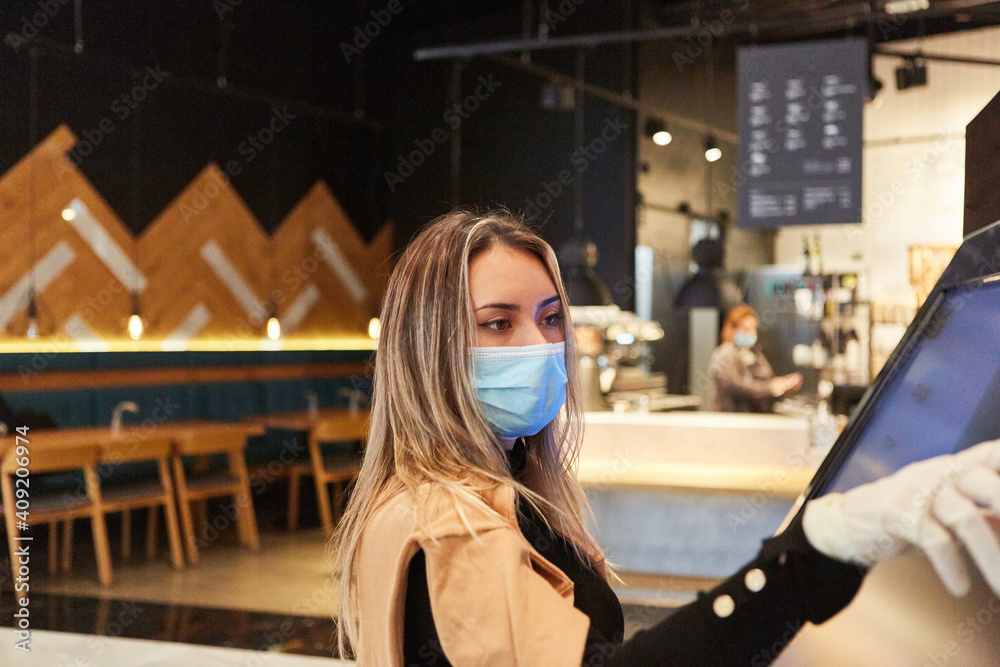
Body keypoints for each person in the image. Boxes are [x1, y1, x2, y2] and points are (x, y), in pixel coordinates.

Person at [332, 210, 1000, 666]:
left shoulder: (469, 492)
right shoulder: (450, 522)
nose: (540, 346)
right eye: (497, 323)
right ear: (427, 347)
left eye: (550, 317)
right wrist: (808, 554)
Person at [708, 304, 803, 413]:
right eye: (746, 329)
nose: (751, 333)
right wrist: (769, 388)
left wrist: (784, 384)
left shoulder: (756, 355)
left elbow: (767, 380)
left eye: (754, 328)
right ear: (733, 329)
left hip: (754, 418)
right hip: (731, 419)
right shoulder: (724, 354)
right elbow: (733, 385)